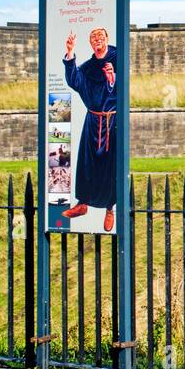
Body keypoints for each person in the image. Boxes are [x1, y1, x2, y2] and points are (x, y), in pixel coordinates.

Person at [60, 27, 118, 231]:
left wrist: (112, 80)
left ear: (107, 39)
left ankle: (110, 209)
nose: (97, 40)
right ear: (90, 43)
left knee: (109, 167)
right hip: (92, 122)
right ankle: (82, 203)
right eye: (93, 38)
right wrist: (70, 53)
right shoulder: (88, 67)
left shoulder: (118, 57)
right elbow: (74, 80)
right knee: (87, 164)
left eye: (100, 37)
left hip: (112, 122)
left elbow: (124, 85)